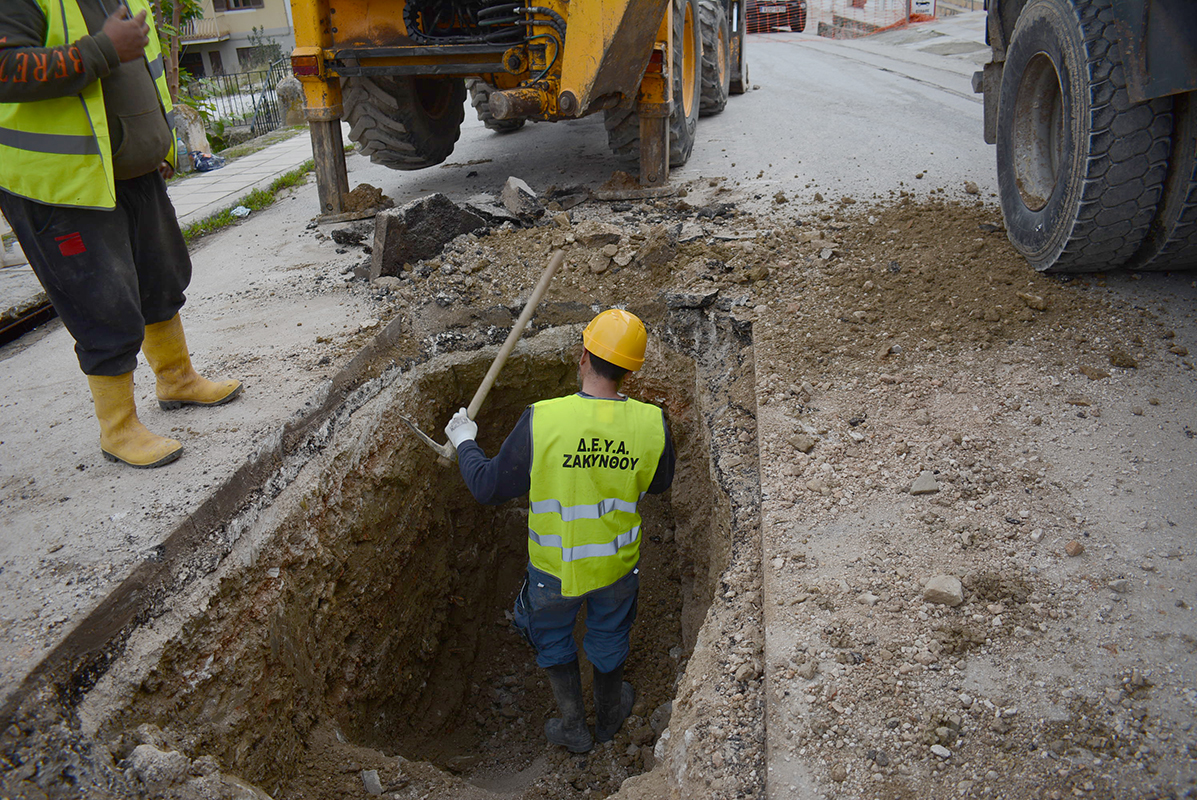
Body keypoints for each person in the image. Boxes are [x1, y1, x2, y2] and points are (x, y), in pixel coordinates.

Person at [0, 0, 241, 468]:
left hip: (132, 168)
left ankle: (176, 378)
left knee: (161, 279)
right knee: (102, 304)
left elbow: (143, 74)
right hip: (63, 184)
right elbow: (5, 70)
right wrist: (102, 49)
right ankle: (119, 428)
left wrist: (161, 141)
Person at [444, 309, 676, 753]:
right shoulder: (652, 424)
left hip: (554, 570)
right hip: (615, 567)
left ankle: (574, 726)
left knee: (551, 636)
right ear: (630, 368)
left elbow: (489, 487)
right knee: (609, 635)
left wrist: (465, 441)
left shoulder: (543, 419)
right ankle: (609, 718)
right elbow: (661, 483)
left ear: (584, 356)